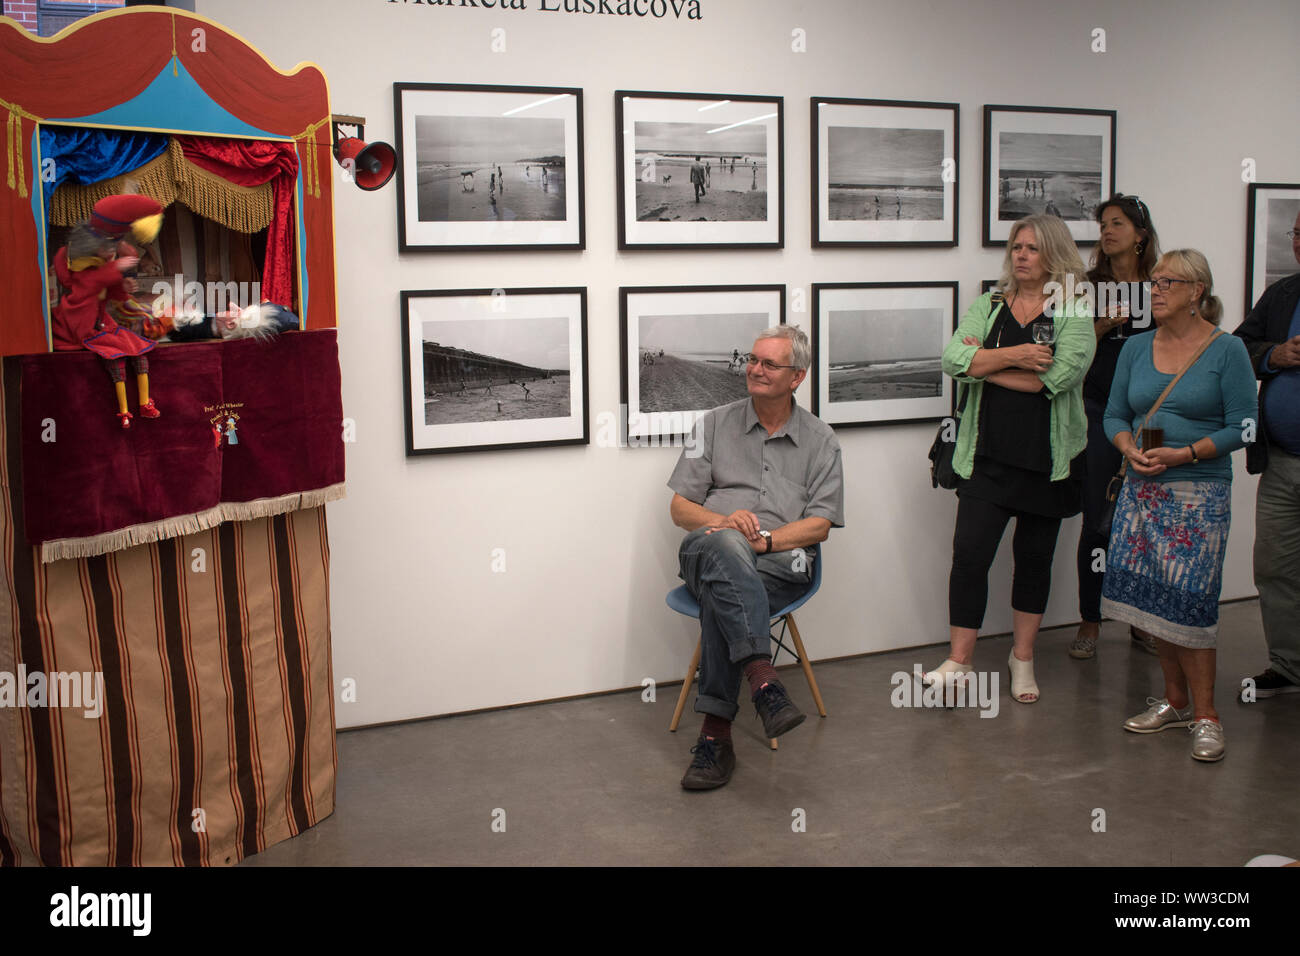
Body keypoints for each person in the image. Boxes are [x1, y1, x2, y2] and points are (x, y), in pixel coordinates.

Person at [667, 326, 844, 790]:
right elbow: (680, 509)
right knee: (725, 549)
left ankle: (715, 735)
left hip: (781, 563)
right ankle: (763, 680)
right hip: (705, 551)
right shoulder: (711, 425)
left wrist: (763, 542)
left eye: (769, 364)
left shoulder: (821, 440)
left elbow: (820, 525)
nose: (754, 369)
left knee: (722, 598)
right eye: (752, 359)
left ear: (797, 377)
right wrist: (726, 525)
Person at [927, 215, 1095, 704]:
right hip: (986, 458)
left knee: (1033, 564)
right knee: (969, 559)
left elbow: (1057, 379)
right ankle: (959, 661)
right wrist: (1019, 355)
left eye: (1033, 248)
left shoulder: (1073, 309)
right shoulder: (991, 304)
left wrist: (987, 366)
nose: (1021, 255)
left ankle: (1022, 658)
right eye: (1017, 247)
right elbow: (953, 359)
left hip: (1048, 463)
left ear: (1054, 255)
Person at [1102, 250, 1257, 761]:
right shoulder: (1136, 347)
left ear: (1197, 291)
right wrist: (1128, 448)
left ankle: (1206, 715)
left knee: (1191, 603)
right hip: (1142, 490)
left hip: (1199, 493)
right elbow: (1114, 415)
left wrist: (1186, 453)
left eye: (1169, 281)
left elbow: (1245, 427)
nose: (1156, 289)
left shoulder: (1227, 349)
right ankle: (1173, 702)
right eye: (1153, 281)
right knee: (1155, 603)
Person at [1069, 194, 1162, 660]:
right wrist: (1104, 326)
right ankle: (1091, 618)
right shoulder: (1087, 287)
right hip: (1099, 411)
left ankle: (1142, 621)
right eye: (1103, 224)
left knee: (1147, 517)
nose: (1107, 232)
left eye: (1117, 223)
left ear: (1140, 234)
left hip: (1154, 418)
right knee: (1098, 521)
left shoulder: (1163, 284)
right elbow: (1071, 350)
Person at [1234, 209, 1300, 698]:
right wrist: (1273, 355)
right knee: (1275, 565)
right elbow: (1240, 347)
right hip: (1281, 461)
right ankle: (1289, 664)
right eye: (1298, 234)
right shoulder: (1283, 294)